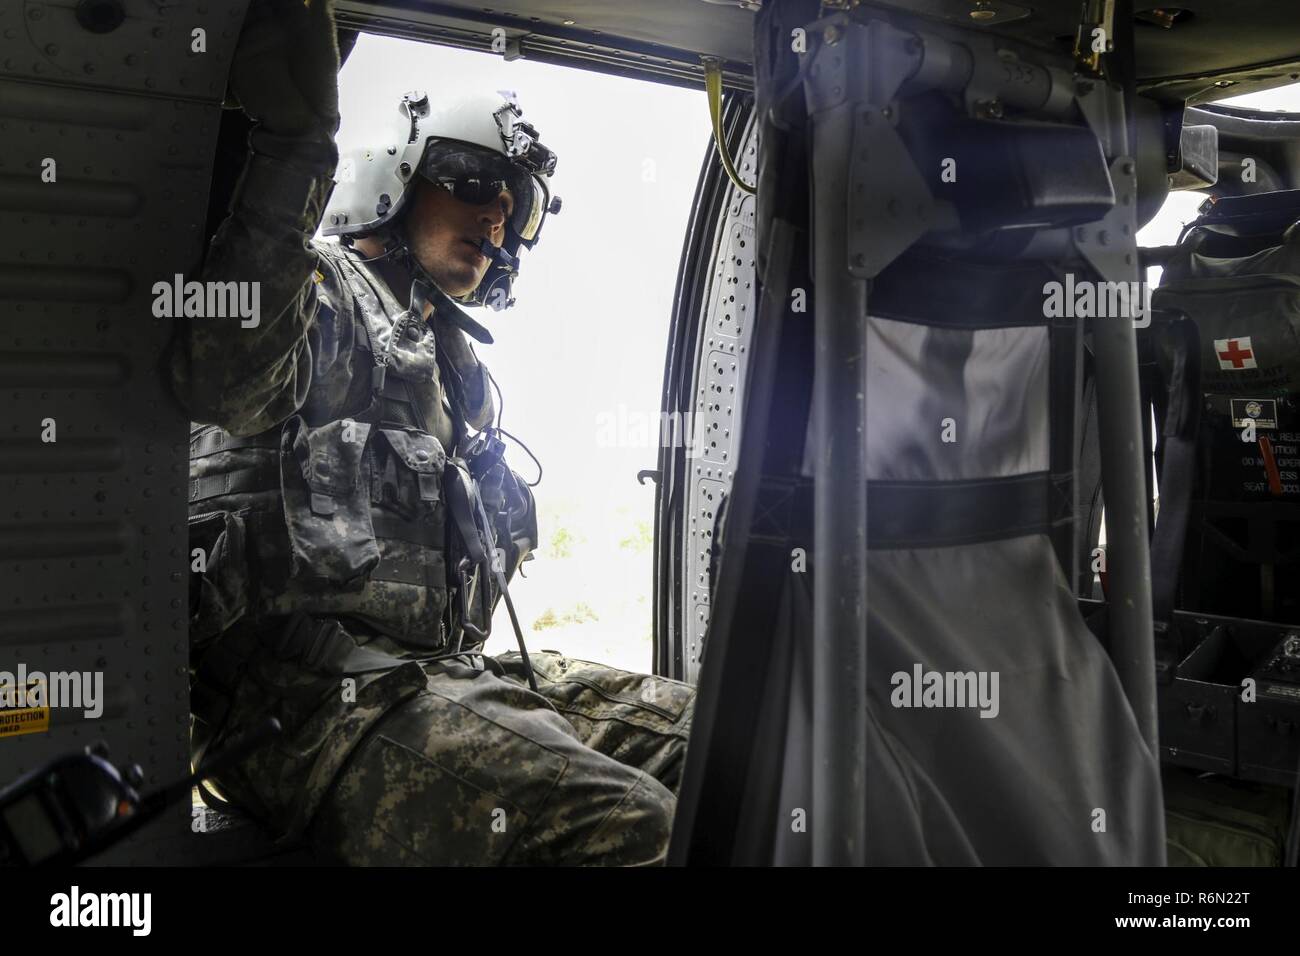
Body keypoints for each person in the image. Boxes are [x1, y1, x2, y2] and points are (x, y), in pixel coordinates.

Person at [167, 0, 694, 866]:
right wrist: (294, 154)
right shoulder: (319, 292)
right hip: (297, 704)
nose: (496, 221)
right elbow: (220, 375)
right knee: (633, 824)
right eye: (476, 185)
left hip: (442, 674)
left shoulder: (458, 370)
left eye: (514, 208)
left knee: (726, 740)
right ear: (404, 175)